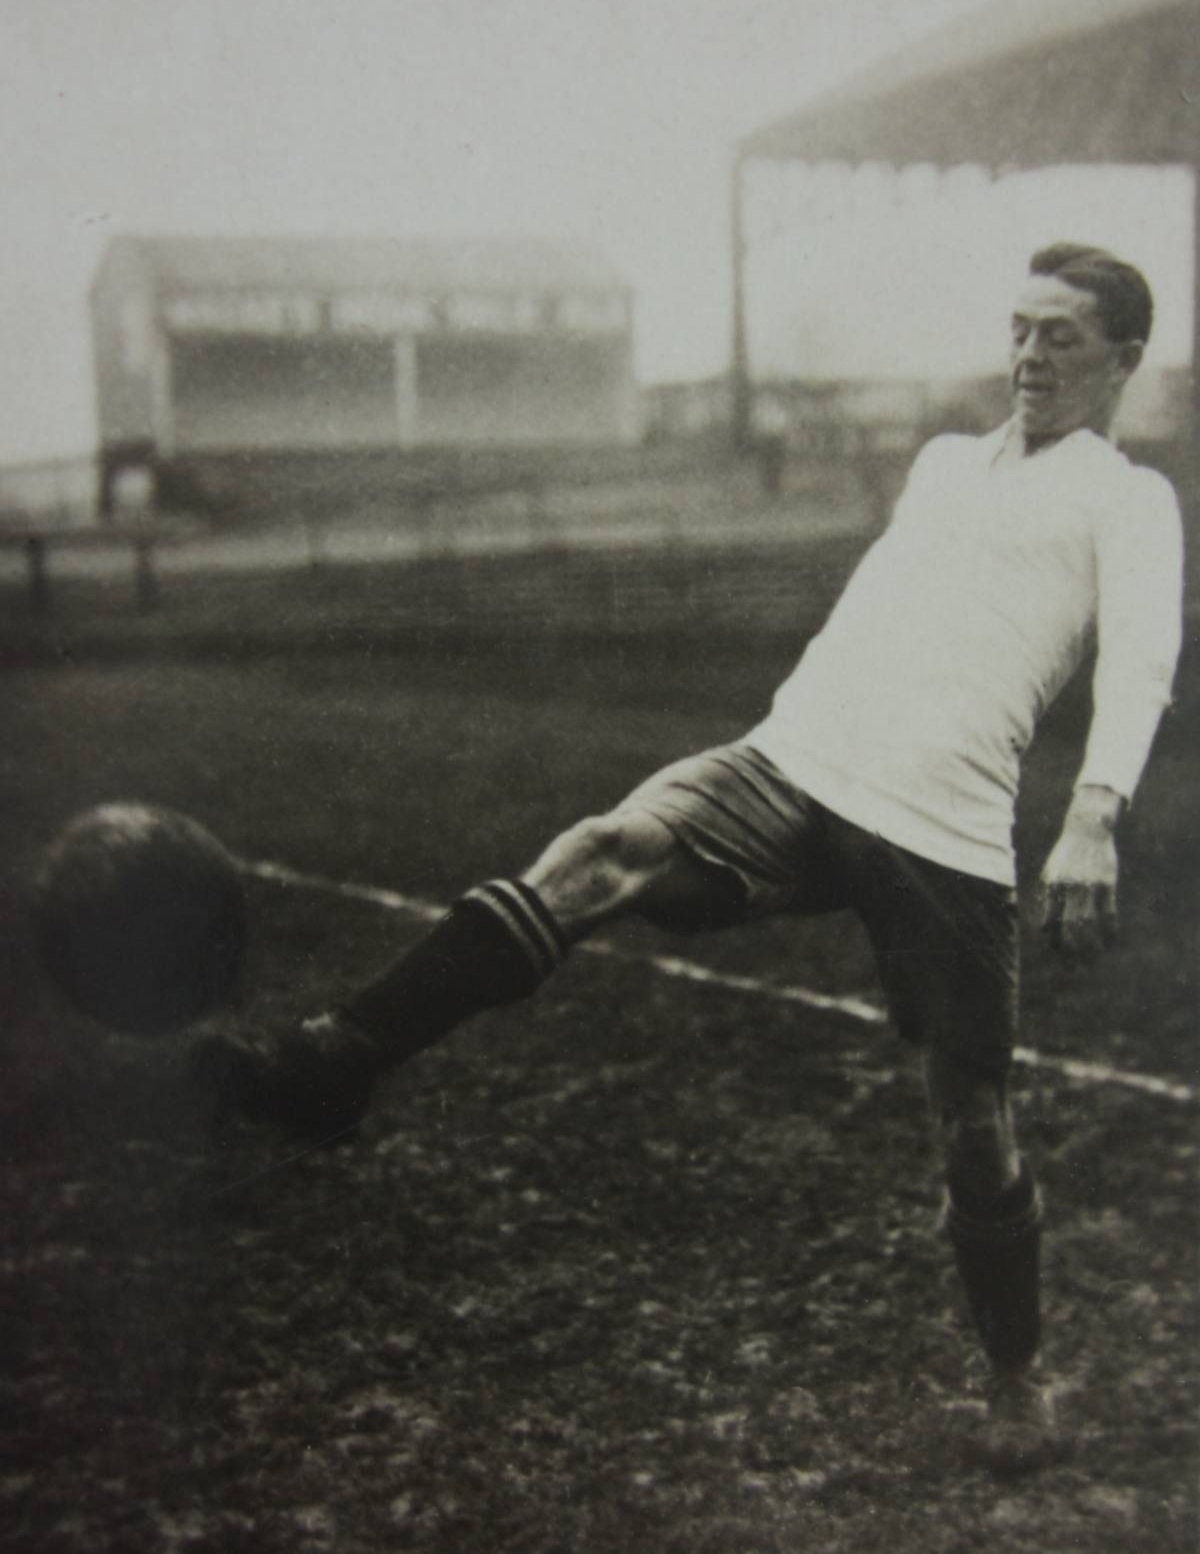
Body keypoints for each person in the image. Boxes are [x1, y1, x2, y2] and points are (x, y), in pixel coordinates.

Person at [196, 244, 1183, 1476]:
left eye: (1064, 339)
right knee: (605, 848)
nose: (1031, 357)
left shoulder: (1129, 500)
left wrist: (1093, 810)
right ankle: (336, 1059)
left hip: (944, 829)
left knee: (974, 1125)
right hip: (797, 760)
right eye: (1021, 330)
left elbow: (1141, 661)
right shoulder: (941, 466)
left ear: (1123, 361)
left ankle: (1016, 1379)